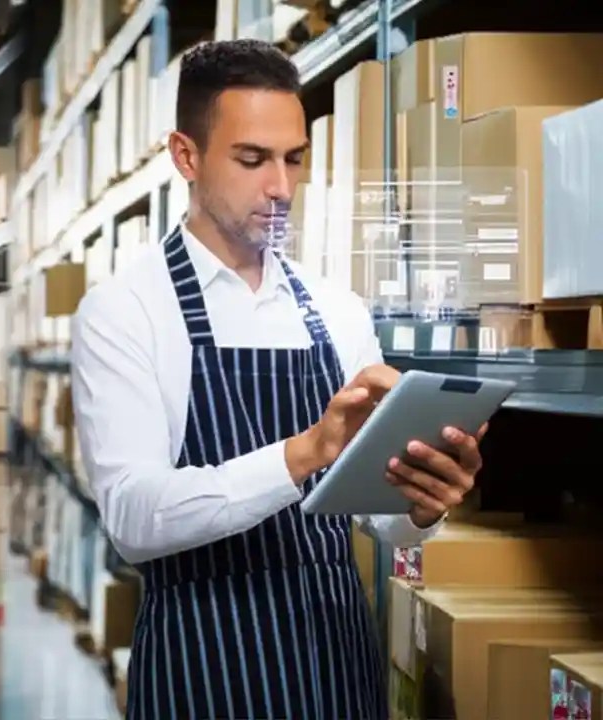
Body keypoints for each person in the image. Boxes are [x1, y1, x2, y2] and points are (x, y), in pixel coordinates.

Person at [70, 40, 484, 720]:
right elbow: (134, 518)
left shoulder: (337, 309)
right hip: (203, 666)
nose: (281, 187)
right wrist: (305, 453)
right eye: (252, 159)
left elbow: (380, 520)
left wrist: (422, 501)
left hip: (335, 663)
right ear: (186, 156)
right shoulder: (126, 310)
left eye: (293, 158)